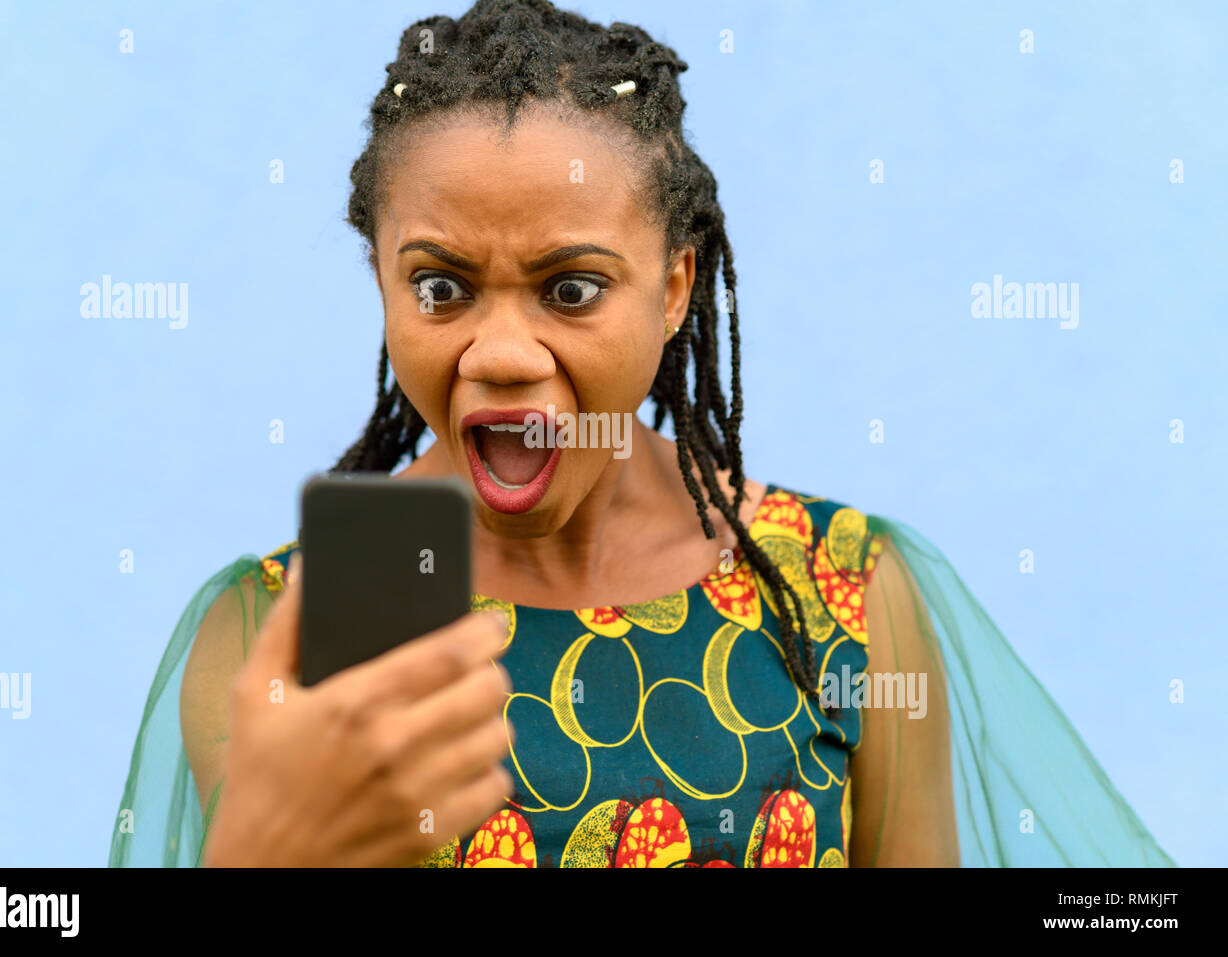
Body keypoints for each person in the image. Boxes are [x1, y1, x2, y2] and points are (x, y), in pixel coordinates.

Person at [108, 0, 1174, 868]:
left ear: (673, 288)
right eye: (440, 286)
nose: (501, 352)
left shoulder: (841, 599)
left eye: (571, 289)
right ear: (382, 282)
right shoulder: (284, 627)